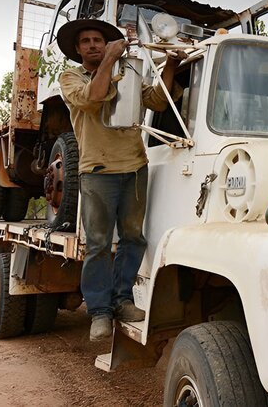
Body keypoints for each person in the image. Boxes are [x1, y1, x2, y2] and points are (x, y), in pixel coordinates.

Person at [57, 18, 184, 341]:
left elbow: (156, 100)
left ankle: (123, 300)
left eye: (98, 40)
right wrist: (112, 59)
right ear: (78, 50)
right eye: (85, 41)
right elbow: (92, 97)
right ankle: (99, 313)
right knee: (98, 245)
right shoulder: (71, 77)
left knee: (133, 238)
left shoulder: (128, 73)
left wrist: (169, 64)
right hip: (97, 171)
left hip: (135, 167)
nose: (93, 45)